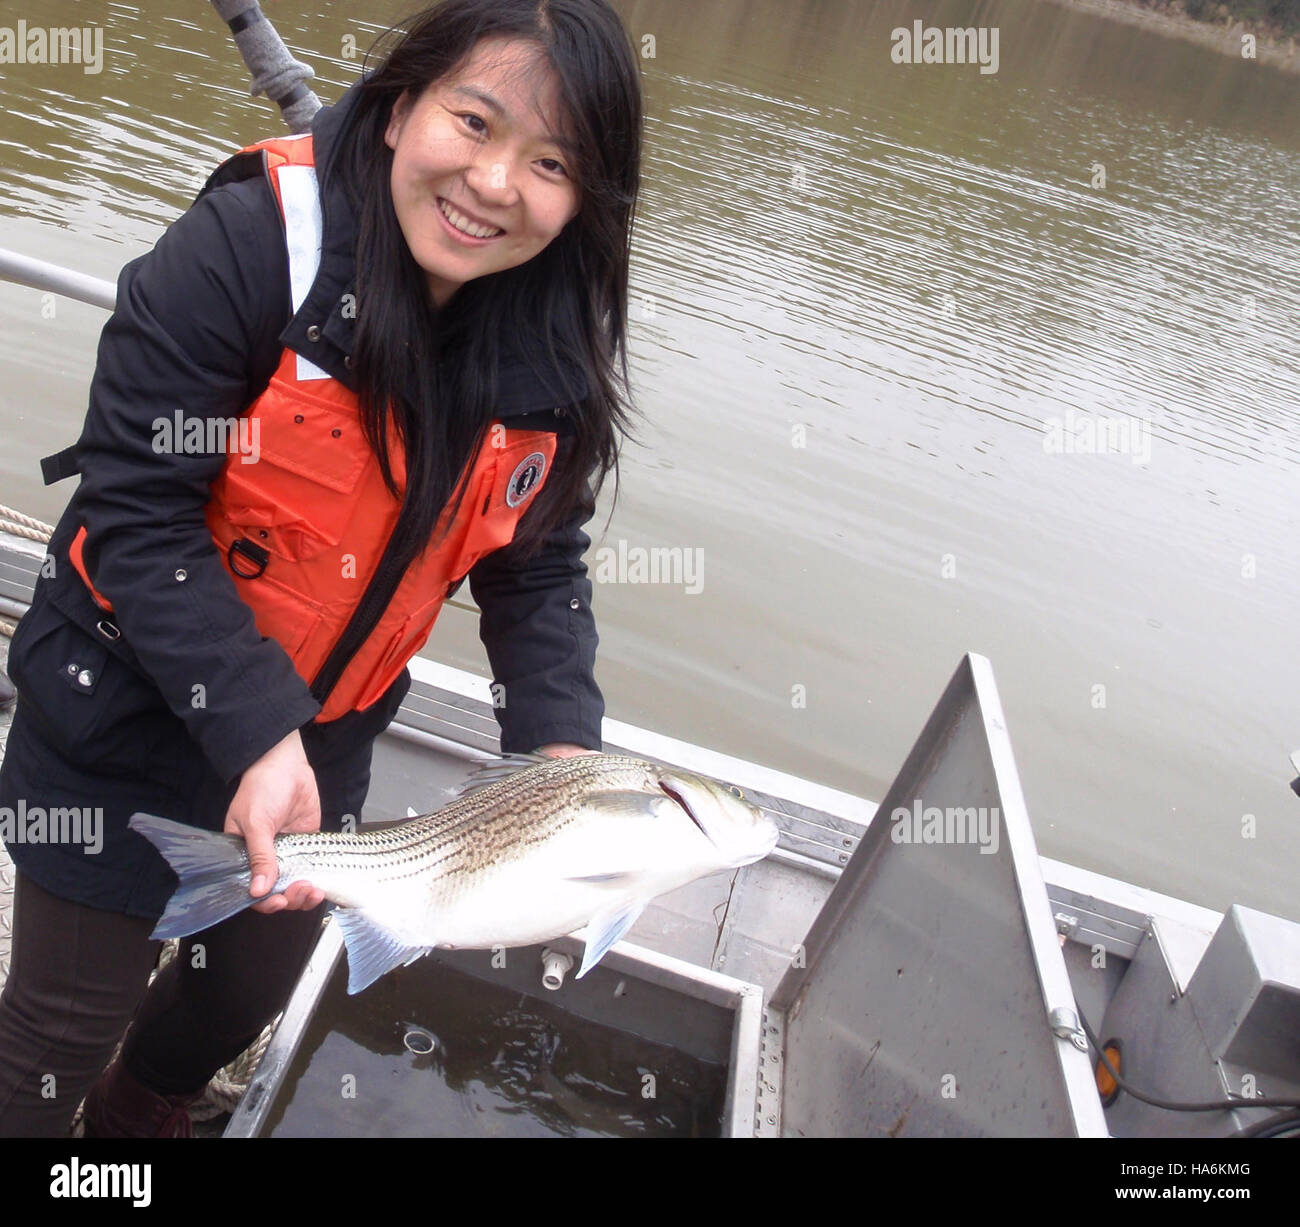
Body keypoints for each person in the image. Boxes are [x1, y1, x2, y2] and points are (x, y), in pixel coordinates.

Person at [0, 0, 642, 1137]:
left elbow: (536, 569)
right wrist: (249, 729)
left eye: (551, 163)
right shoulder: (249, 249)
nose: (497, 184)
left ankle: (136, 1132)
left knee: (229, 1006)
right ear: (400, 108)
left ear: (586, 197)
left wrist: (559, 761)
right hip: (123, 720)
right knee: (55, 1039)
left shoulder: (551, 334)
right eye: (474, 123)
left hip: (325, 740)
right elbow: (137, 510)